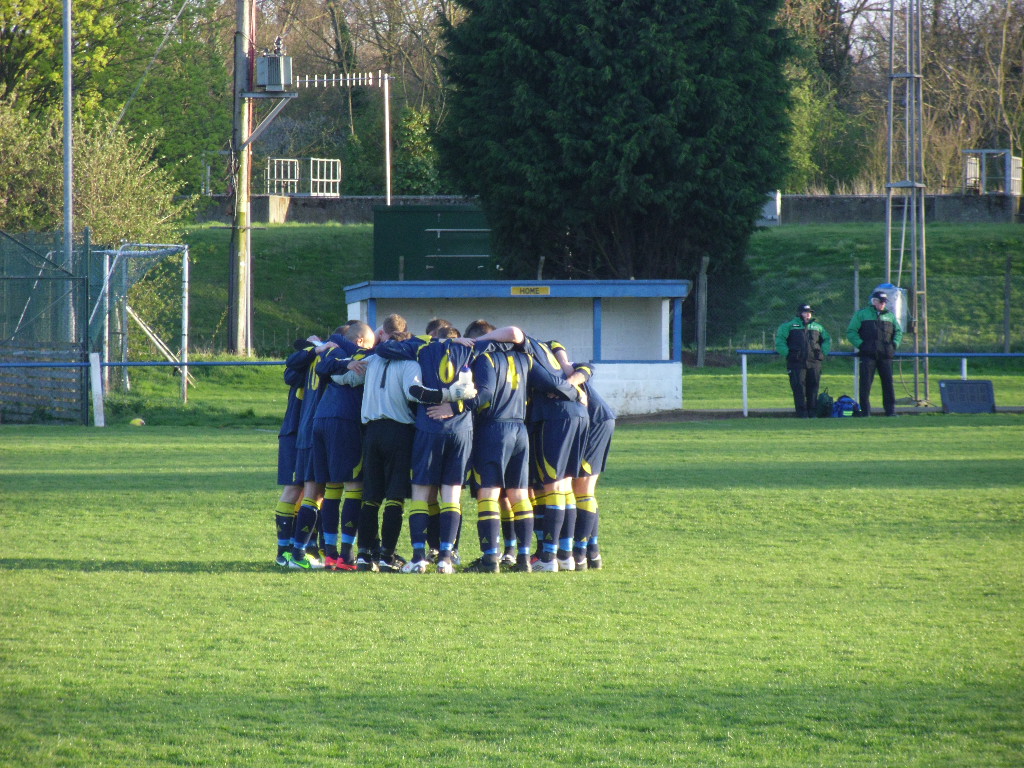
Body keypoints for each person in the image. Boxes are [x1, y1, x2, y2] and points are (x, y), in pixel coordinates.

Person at [847, 290, 904, 417]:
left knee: (888, 383)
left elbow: (898, 332)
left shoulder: (890, 316)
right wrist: (862, 346)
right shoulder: (861, 314)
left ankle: (890, 411)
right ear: (874, 301)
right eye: (880, 302)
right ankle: (865, 412)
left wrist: (894, 345)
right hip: (868, 355)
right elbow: (851, 332)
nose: (883, 304)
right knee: (865, 384)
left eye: (884, 302)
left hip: (885, 356)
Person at [775, 303, 832, 418]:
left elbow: (827, 340)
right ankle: (802, 413)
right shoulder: (788, 326)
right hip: (796, 362)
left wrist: (822, 353)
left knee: (813, 387)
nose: (808, 314)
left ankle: (812, 413)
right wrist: (788, 354)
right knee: (799, 388)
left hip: (814, 362)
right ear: (799, 313)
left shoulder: (818, 327)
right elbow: (780, 341)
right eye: (805, 312)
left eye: (809, 312)